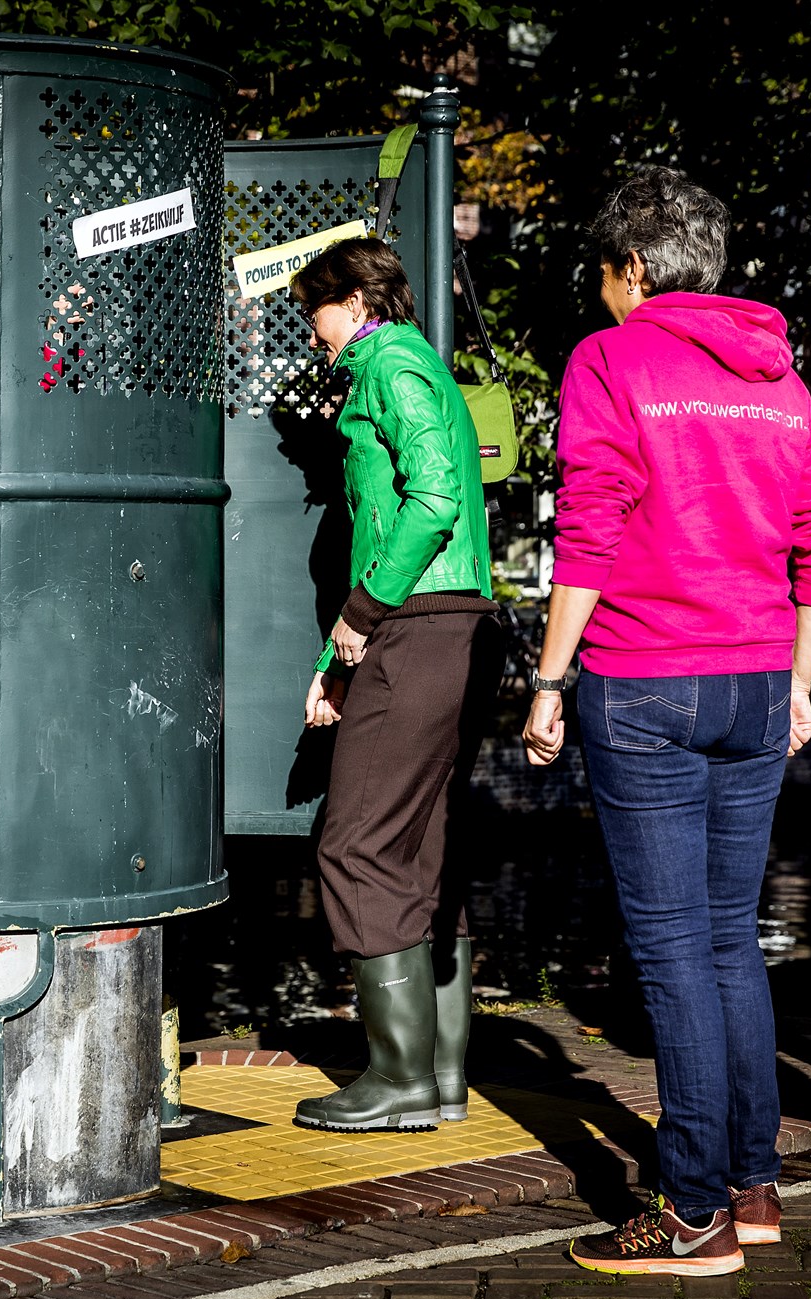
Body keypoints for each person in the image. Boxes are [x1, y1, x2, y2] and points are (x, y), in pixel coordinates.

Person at [522, 167, 811, 1276]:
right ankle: (752, 1183)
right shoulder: (778, 376)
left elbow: (591, 522)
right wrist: (797, 679)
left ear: (633, 270)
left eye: (605, 274)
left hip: (645, 679)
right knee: (726, 940)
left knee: (669, 951)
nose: (603, 293)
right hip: (758, 681)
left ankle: (690, 1208)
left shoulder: (609, 358)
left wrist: (548, 680)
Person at [290, 237, 504, 1132]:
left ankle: (398, 1077)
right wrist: (336, 666)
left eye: (316, 313)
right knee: (418, 849)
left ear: (352, 300)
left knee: (354, 845)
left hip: (413, 620)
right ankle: (440, 1078)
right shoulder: (414, 365)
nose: (313, 335)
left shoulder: (392, 363)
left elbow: (435, 496)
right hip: (440, 625)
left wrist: (363, 615)